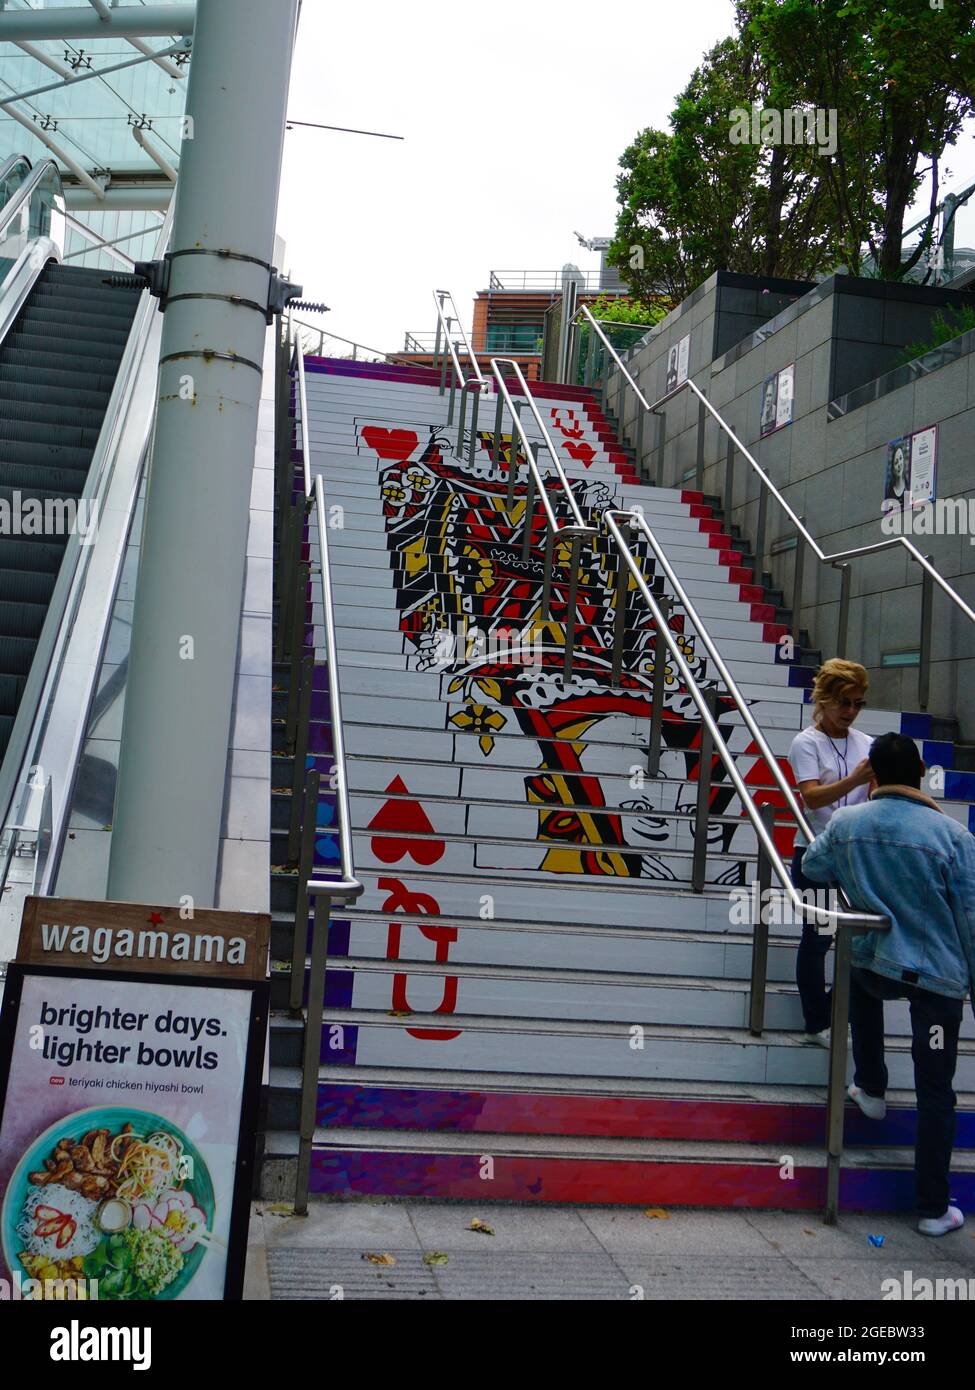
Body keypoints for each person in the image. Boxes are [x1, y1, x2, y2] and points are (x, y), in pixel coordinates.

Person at [802, 733, 975, 1236]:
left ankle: (872, 1082)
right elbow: (969, 917)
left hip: (874, 958)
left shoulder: (848, 823)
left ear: (871, 774)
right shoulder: (954, 837)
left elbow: (813, 866)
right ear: (922, 772)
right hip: (937, 976)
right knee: (936, 1088)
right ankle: (933, 1208)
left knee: (858, 978)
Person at [788, 659, 874, 1040]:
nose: (850, 712)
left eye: (858, 703)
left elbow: (875, 795)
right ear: (824, 699)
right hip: (815, 851)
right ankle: (817, 1020)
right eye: (844, 702)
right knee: (819, 936)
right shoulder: (806, 742)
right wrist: (855, 779)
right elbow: (810, 797)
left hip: (855, 855)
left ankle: (840, 1009)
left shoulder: (867, 744)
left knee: (862, 938)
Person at [884, 442, 910, 509]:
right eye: (896, 462)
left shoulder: (909, 486)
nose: (899, 464)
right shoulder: (889, 492)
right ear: (892, 468)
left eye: (901, 458)